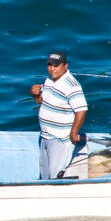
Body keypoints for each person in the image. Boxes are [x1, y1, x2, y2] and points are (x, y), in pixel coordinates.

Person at [29, 50, 87, 179]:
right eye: (49, 65)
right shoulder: (49, 80)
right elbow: (42, 102)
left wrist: (74, 132)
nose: (52, 69)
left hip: (59, 140)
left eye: (56, 65)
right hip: (45, 136)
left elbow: (81, 110)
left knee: (55, 178)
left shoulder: (72, 86)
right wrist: (35, 94)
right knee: (44, 177)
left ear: (65, 66)